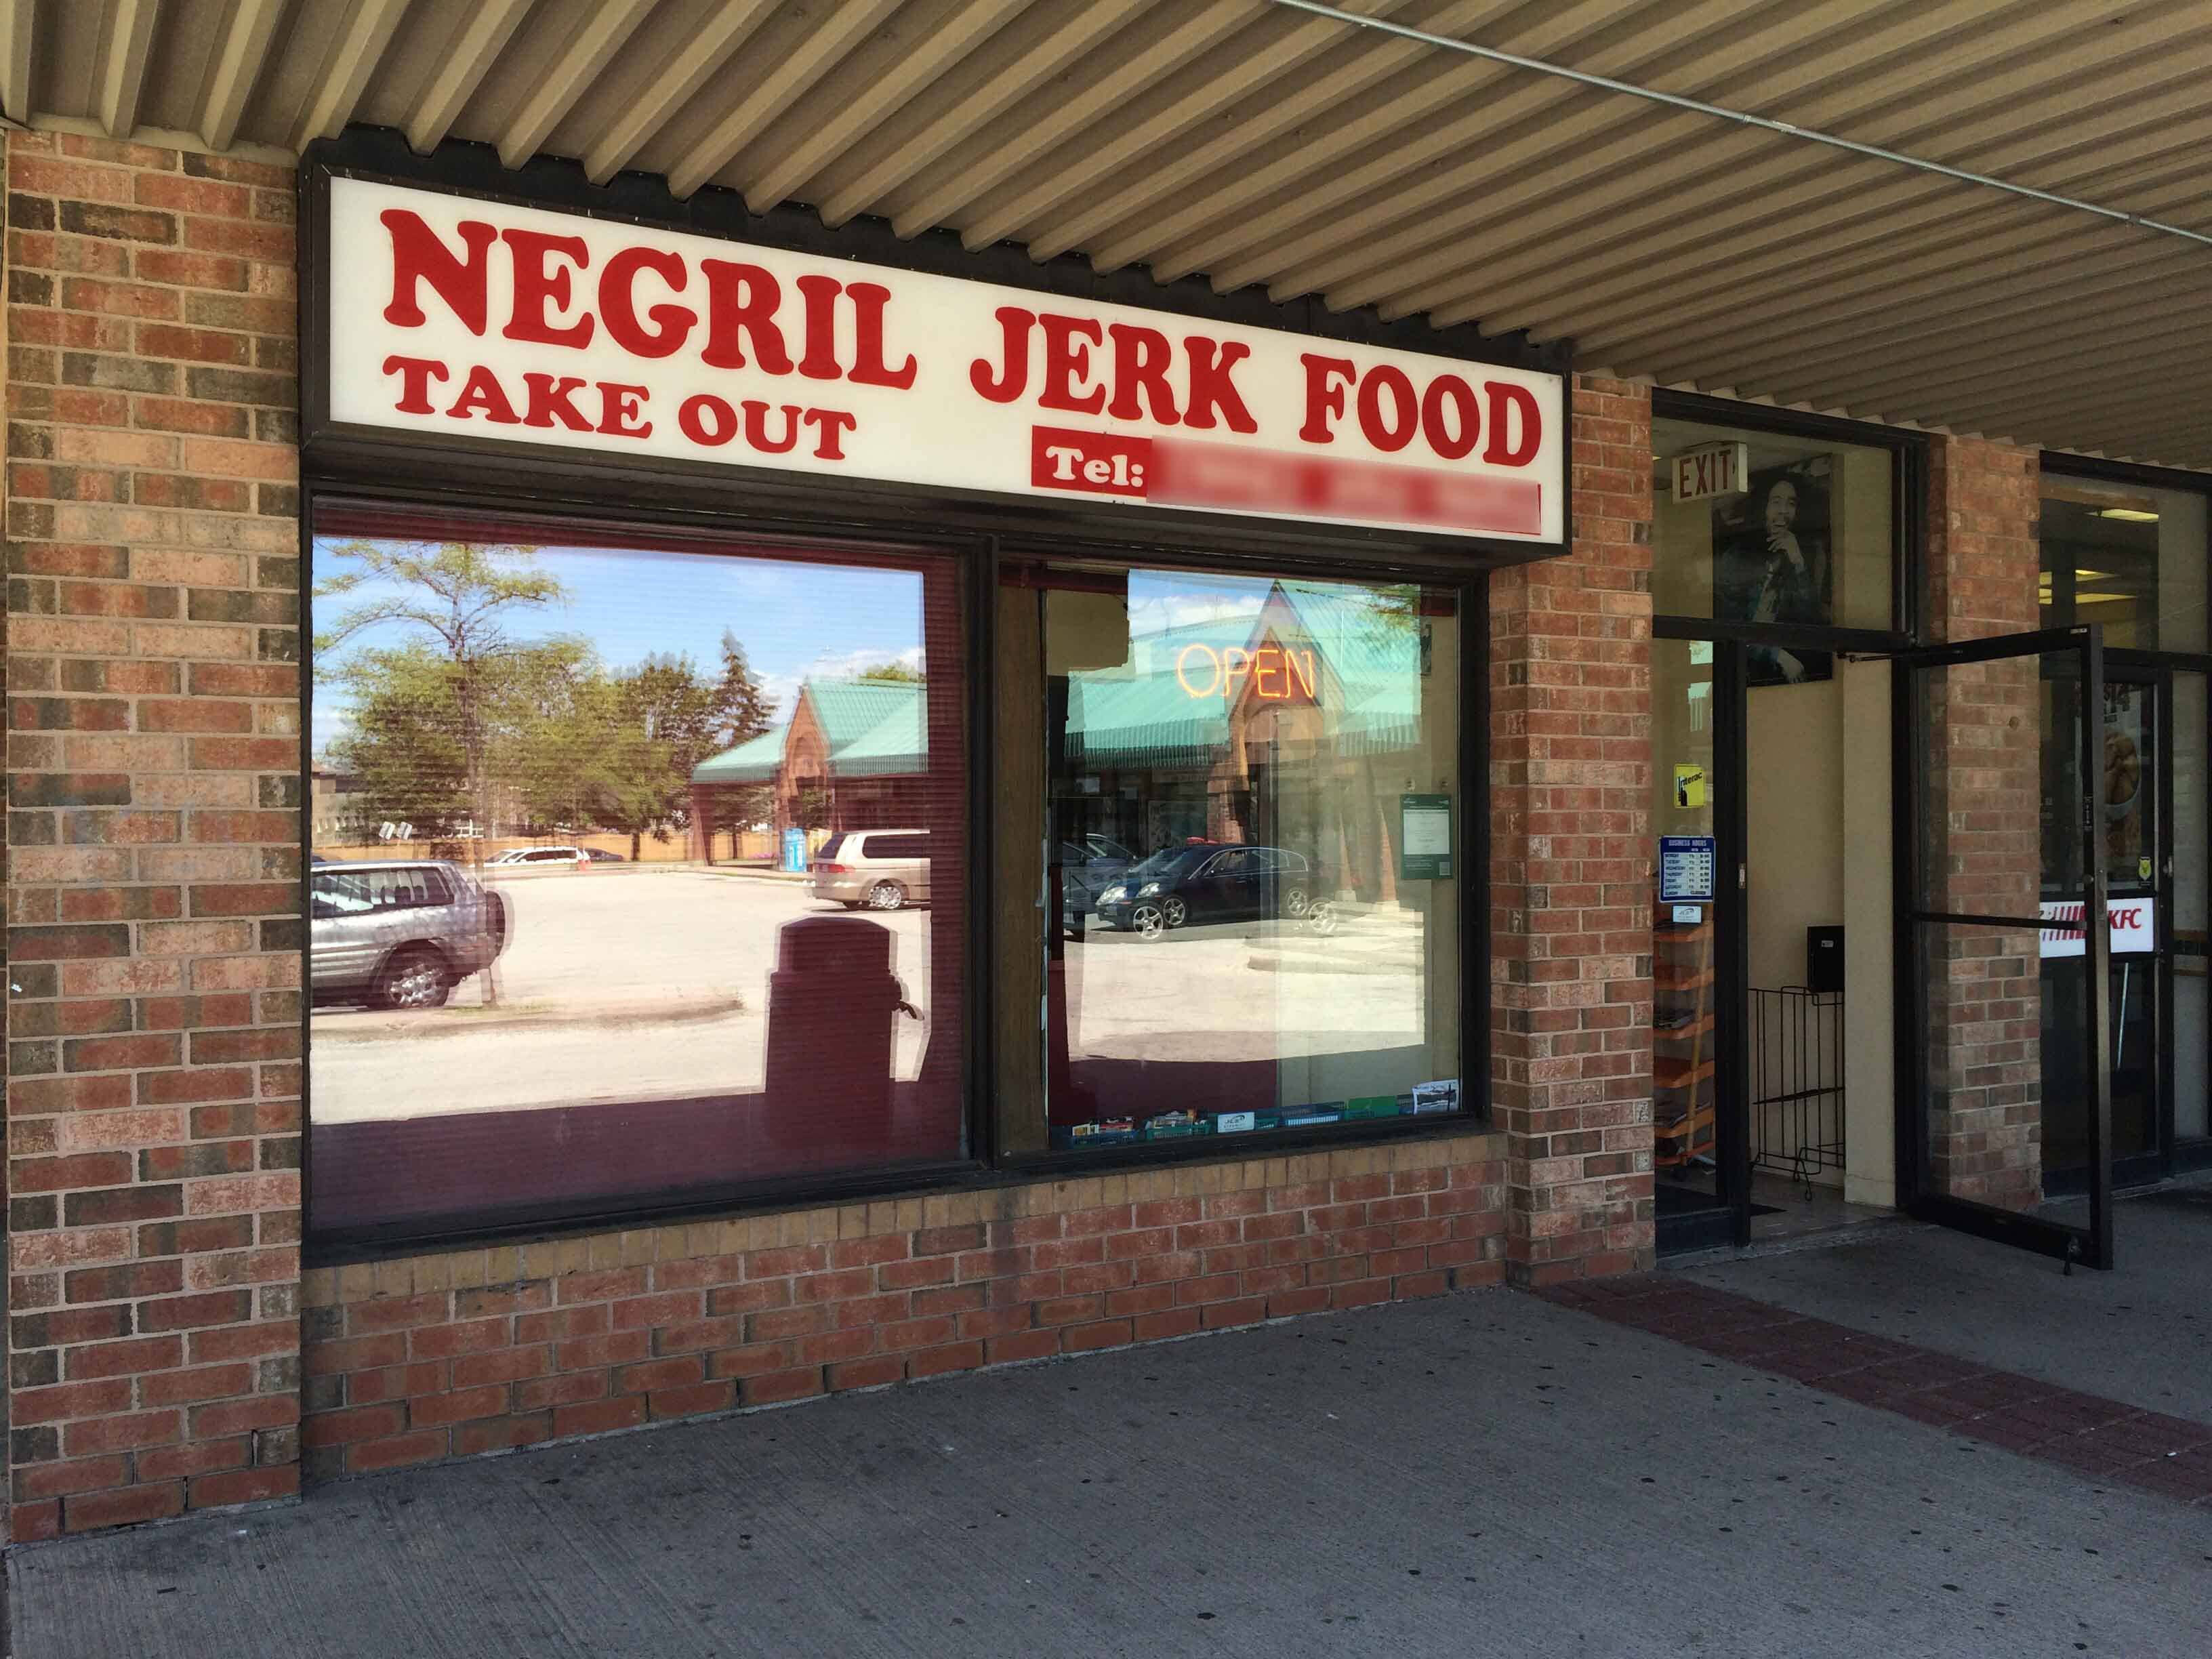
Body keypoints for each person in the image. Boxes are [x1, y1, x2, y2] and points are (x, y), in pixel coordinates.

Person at [1715, 470, 1830, 684]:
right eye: (1776, 502)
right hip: (1745, 666)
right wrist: (1776, 655)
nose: (1783, 512)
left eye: (1791, 504)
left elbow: (1812, 621)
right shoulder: (1738, 556)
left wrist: (1798, 563)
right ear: (1763, 508)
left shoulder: (1807, 555)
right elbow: (1729, 625)